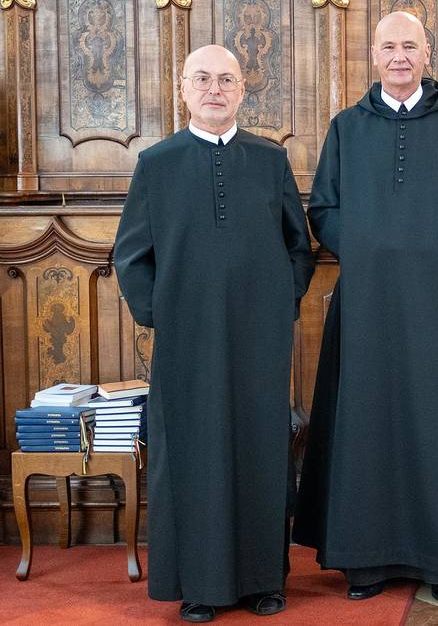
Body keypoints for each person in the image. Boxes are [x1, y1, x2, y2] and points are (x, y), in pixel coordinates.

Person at [293, 11, 438, 603]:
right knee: (366, 419)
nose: (400, 56)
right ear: (374, 56)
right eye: (390, 46)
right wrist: (371, 245)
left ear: (427, 55)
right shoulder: (345, 128)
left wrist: (431, 247)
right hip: (367, 304)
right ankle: (365, 560)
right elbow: (324, 208)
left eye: (411, 46)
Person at [114, 44, 314, 622]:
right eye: (201, 79)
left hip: (259, 340)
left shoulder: (270, 160)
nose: (214, 89)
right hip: (187, 341)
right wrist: (165, 313)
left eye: (226, 80)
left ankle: (263, 581)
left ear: (243, 91)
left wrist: (279, 304)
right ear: (183, 89)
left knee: (260, 451)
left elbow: (297, 248)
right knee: (195, 456)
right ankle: (199, 585)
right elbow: (131, 256)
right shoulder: (157, 163)